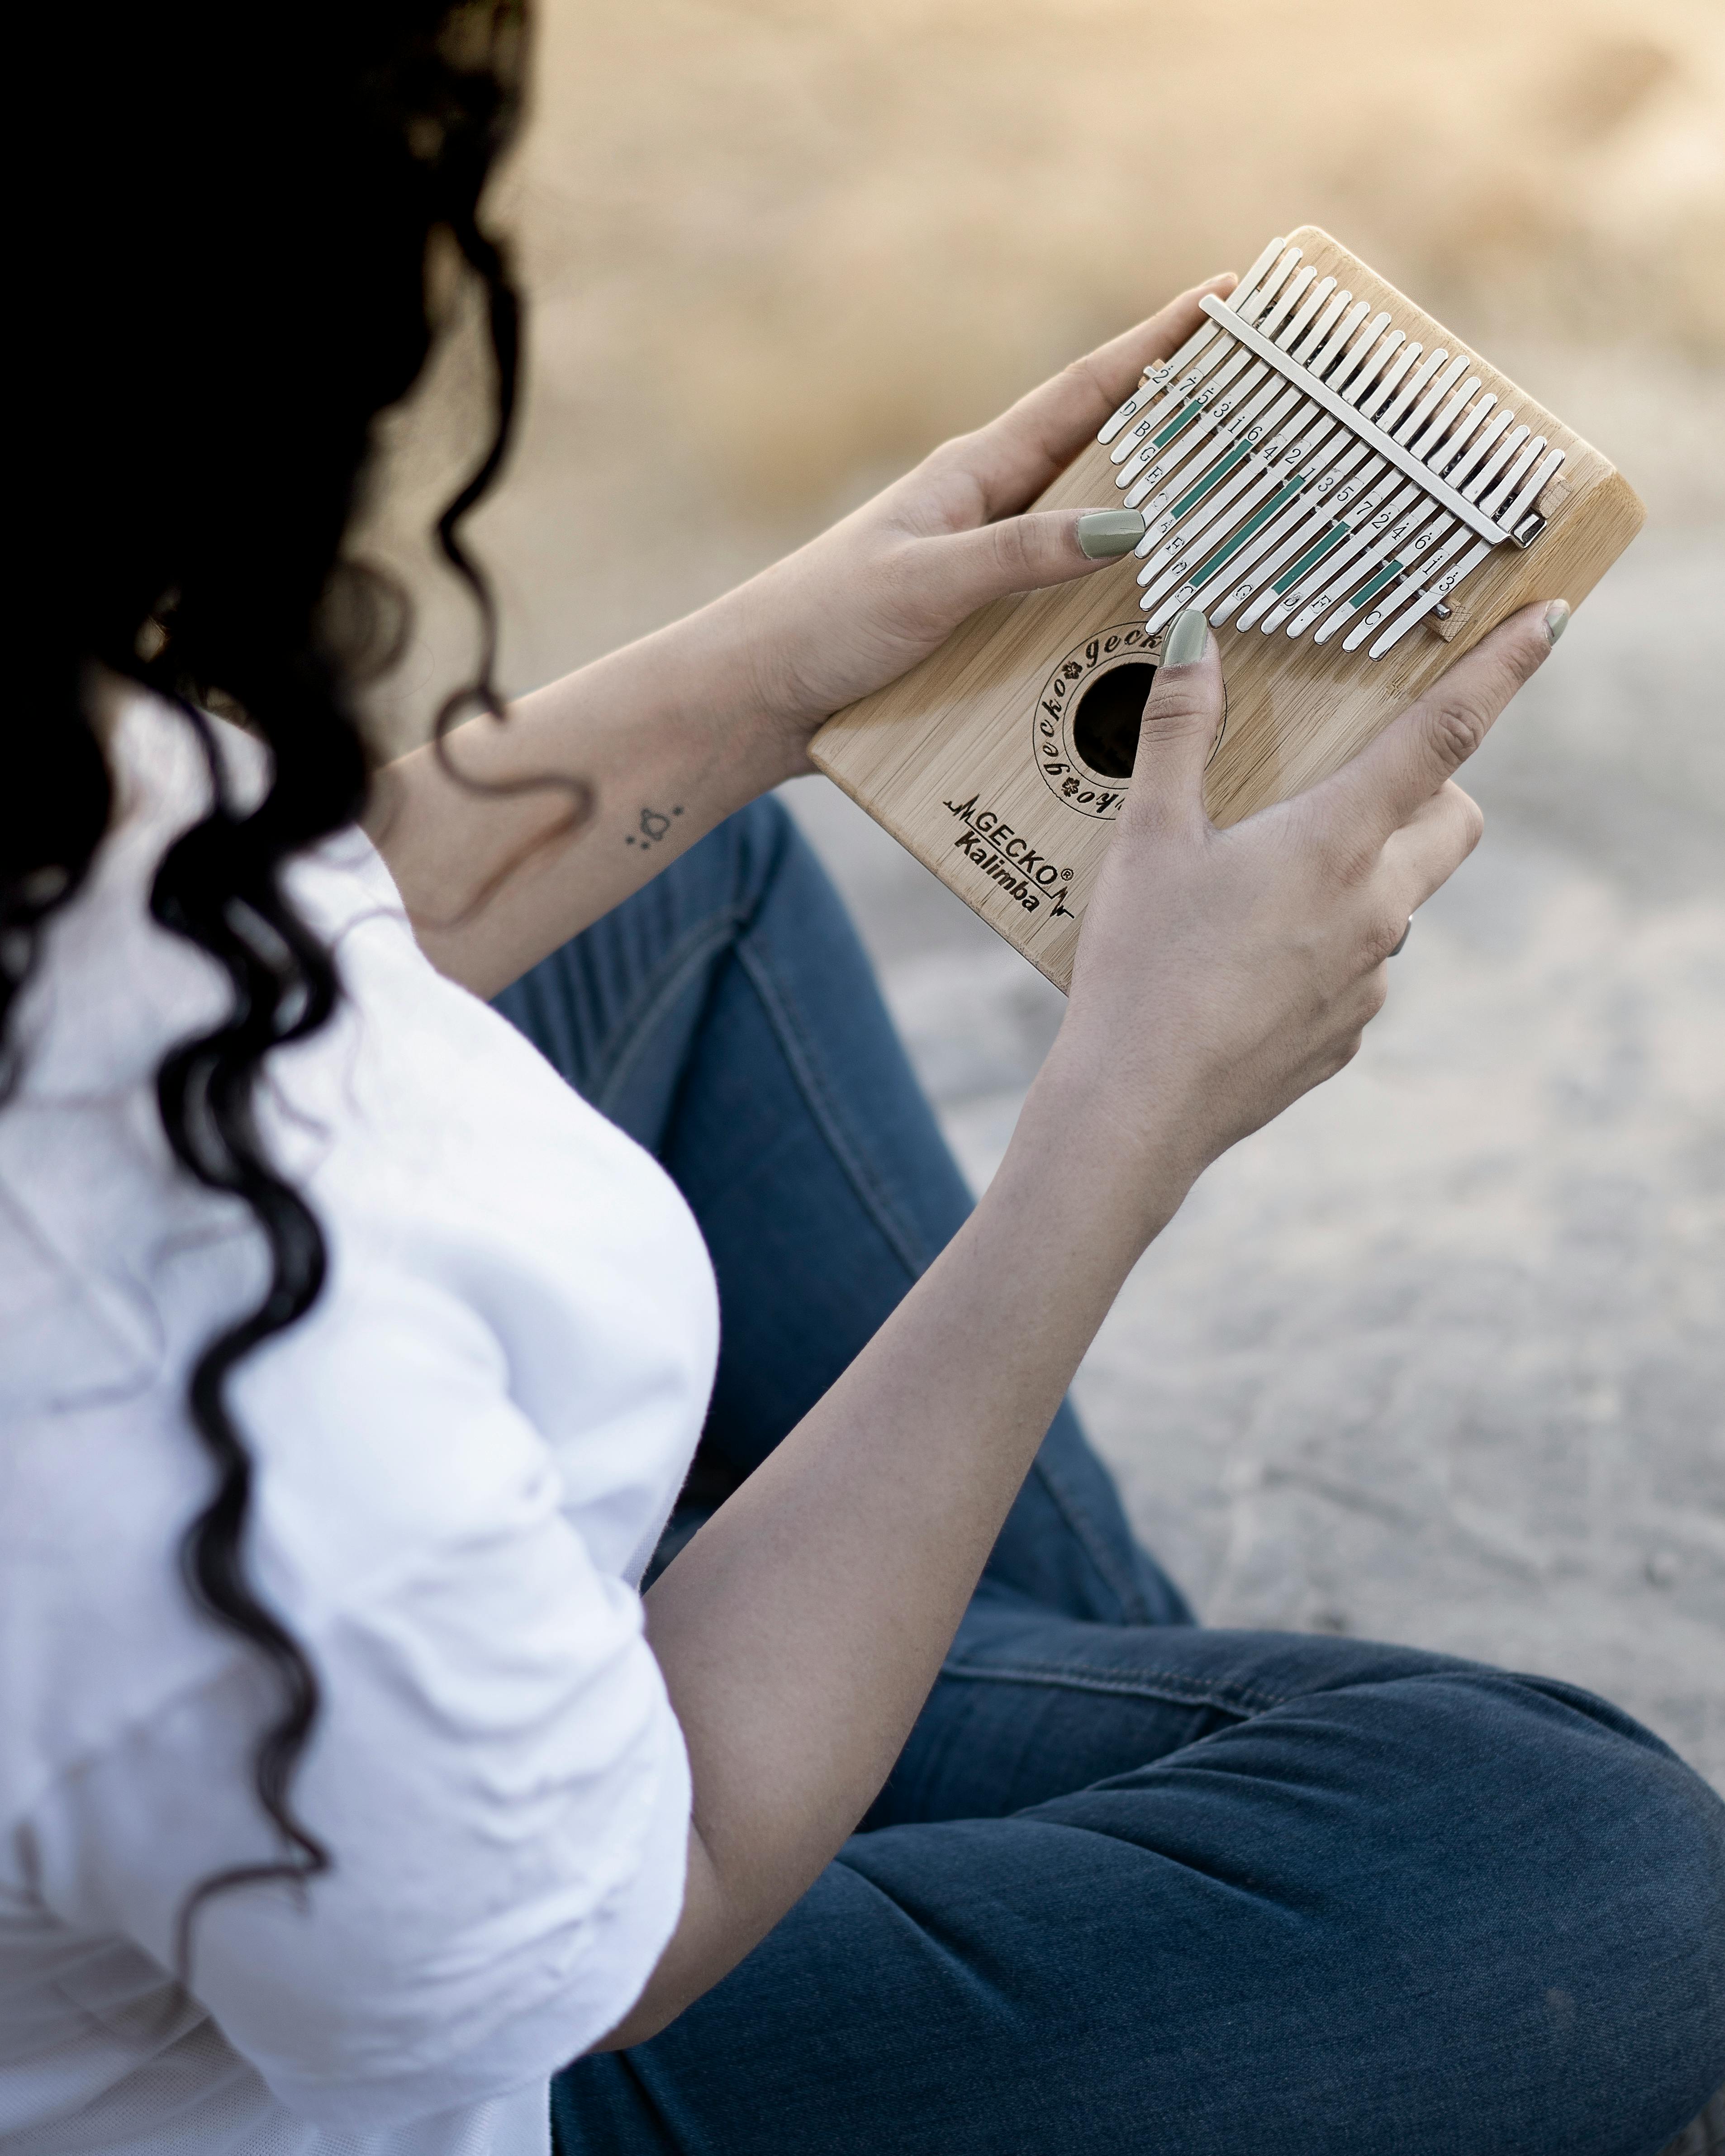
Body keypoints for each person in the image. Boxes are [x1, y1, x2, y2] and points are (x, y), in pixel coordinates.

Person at [4, 6, 1721, 2154]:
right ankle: (1095, 1765)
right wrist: (1124, 1130)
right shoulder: (182, 1392)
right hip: (472, 2039)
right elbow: (653, 1915)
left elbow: (247, 910)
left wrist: (792, 656)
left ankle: (1014, 1709)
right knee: (1579, 1861)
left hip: (297, 1694)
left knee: (680, 860)